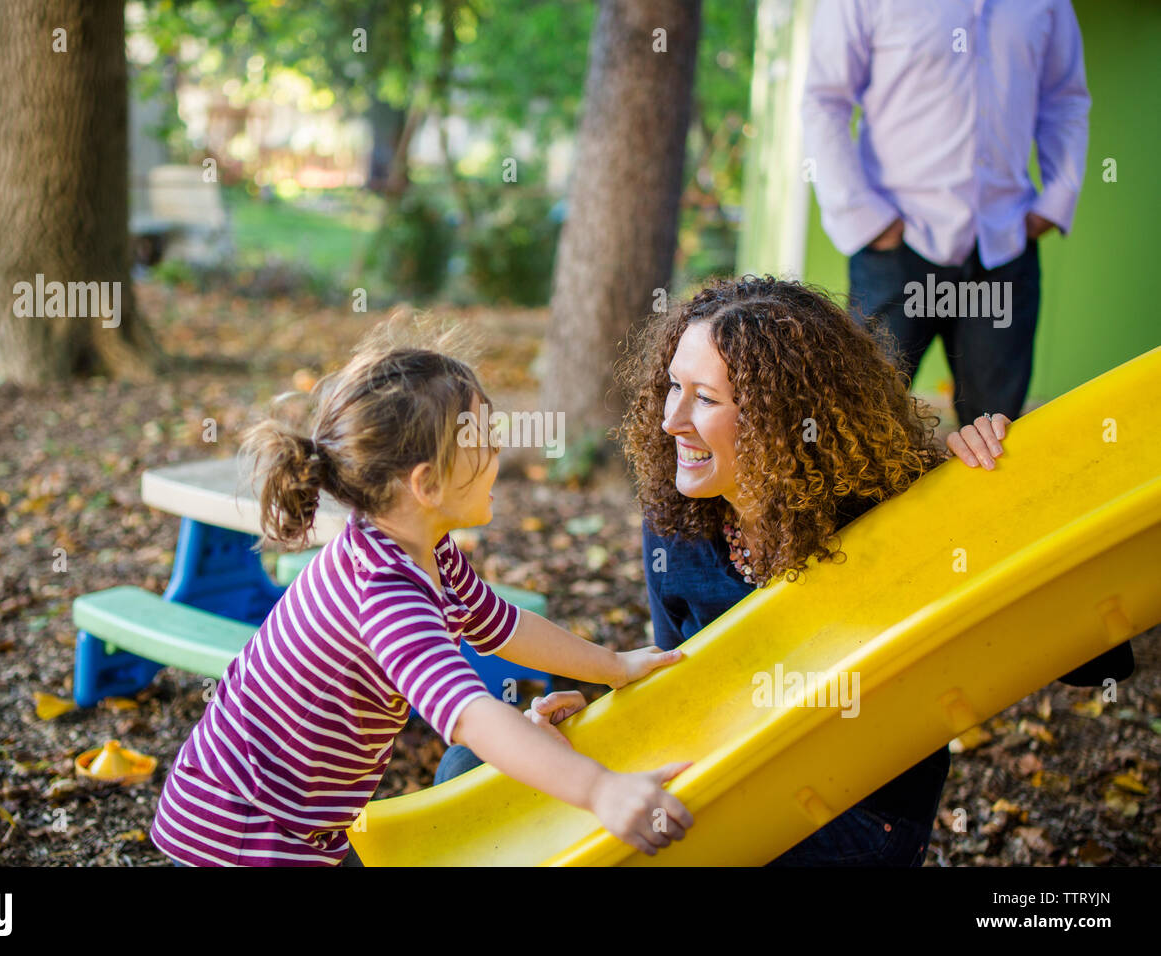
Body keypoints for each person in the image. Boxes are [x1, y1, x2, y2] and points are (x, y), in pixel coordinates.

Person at [435, 275, 1130, 865]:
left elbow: (1096, 658)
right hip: (725, 772)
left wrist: (1004, 501)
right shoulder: (680, 522)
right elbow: (683, 681)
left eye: (705, 399)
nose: (672, 419)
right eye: (673, 388)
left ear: (785, 418)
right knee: (483, 760)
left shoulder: (897, 512)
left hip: (851, 814)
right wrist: (589, 720)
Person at [149, 335, 693, 866]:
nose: (498, 449)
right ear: (427, 484)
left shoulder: (429, 552)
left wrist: (613, 666)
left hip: (296, 819)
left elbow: (503, 627)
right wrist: (602, 791)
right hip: (242, 833)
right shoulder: (384, 591)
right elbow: (470, 715)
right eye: (482, 440)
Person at [801, 0, 1091, 425]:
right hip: (895, 248)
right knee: (861, 425)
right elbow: (824, 100)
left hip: (1005, 246)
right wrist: (866, 219)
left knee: (996, 436)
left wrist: (1056, 201)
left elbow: (1064, 98)